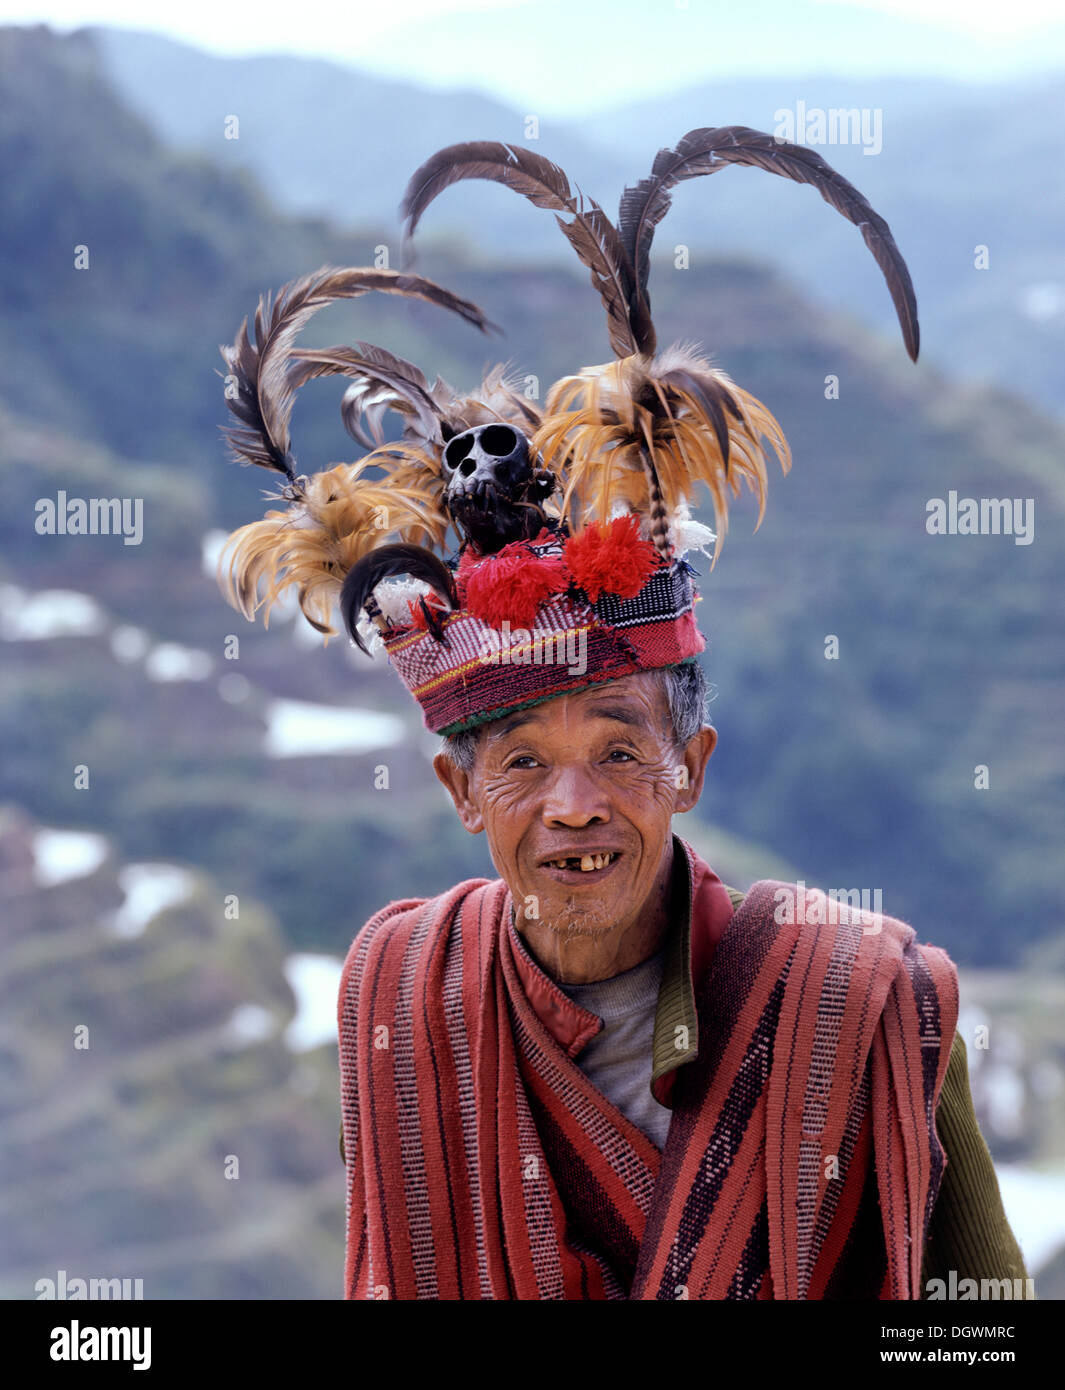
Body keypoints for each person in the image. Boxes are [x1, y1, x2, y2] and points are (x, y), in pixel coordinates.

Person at [214, 127, 1030, 1299]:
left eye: (617, 748)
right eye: (521, 762)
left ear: (689, 764)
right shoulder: (400, 1007)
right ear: (457, 791)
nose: (574, 804)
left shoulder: (863, 1007)